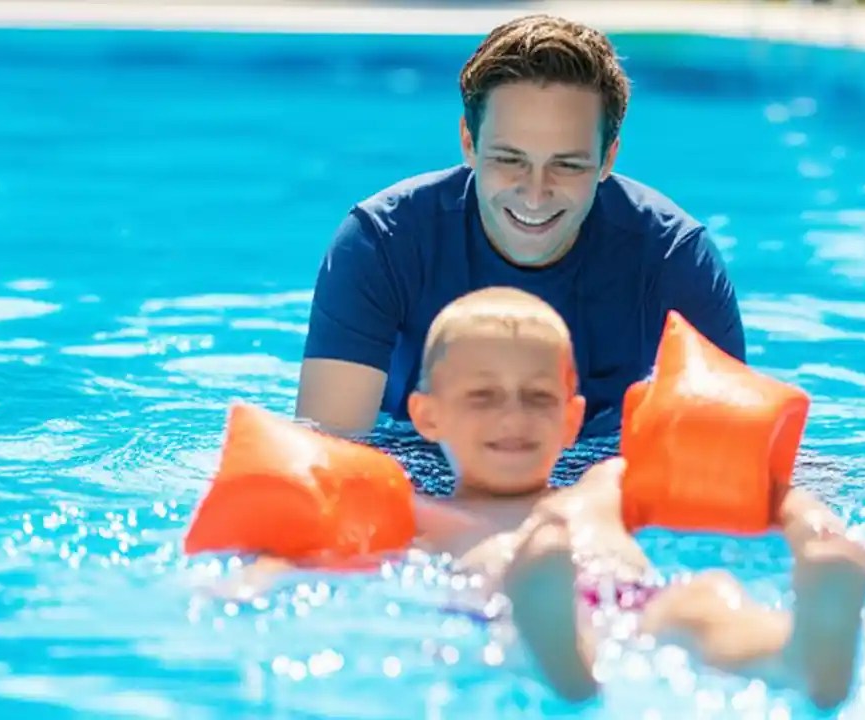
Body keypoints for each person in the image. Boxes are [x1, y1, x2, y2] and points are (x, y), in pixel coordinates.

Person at [230, 288, 865, 711]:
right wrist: (259, 576)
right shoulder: (413, 510)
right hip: (516, 609)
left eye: (537, 398)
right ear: (426, 416)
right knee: (518, 623)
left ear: (570, 420)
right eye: (483, 396)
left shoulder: (605, 484)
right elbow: (311, 547)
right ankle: (564, 657)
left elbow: (763, 490)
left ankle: (805, 655)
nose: (513, 417)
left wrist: (812, 529)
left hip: (635, 601)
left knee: (703, 599)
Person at [295, 14, 745, 440]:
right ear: (468, 143)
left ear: (608, 158)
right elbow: (330, 459)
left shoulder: (672, 260)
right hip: (415, 461)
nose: (534, 193)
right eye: (510, 160)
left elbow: (728, 460)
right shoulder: (383, 245)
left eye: (567, 165)